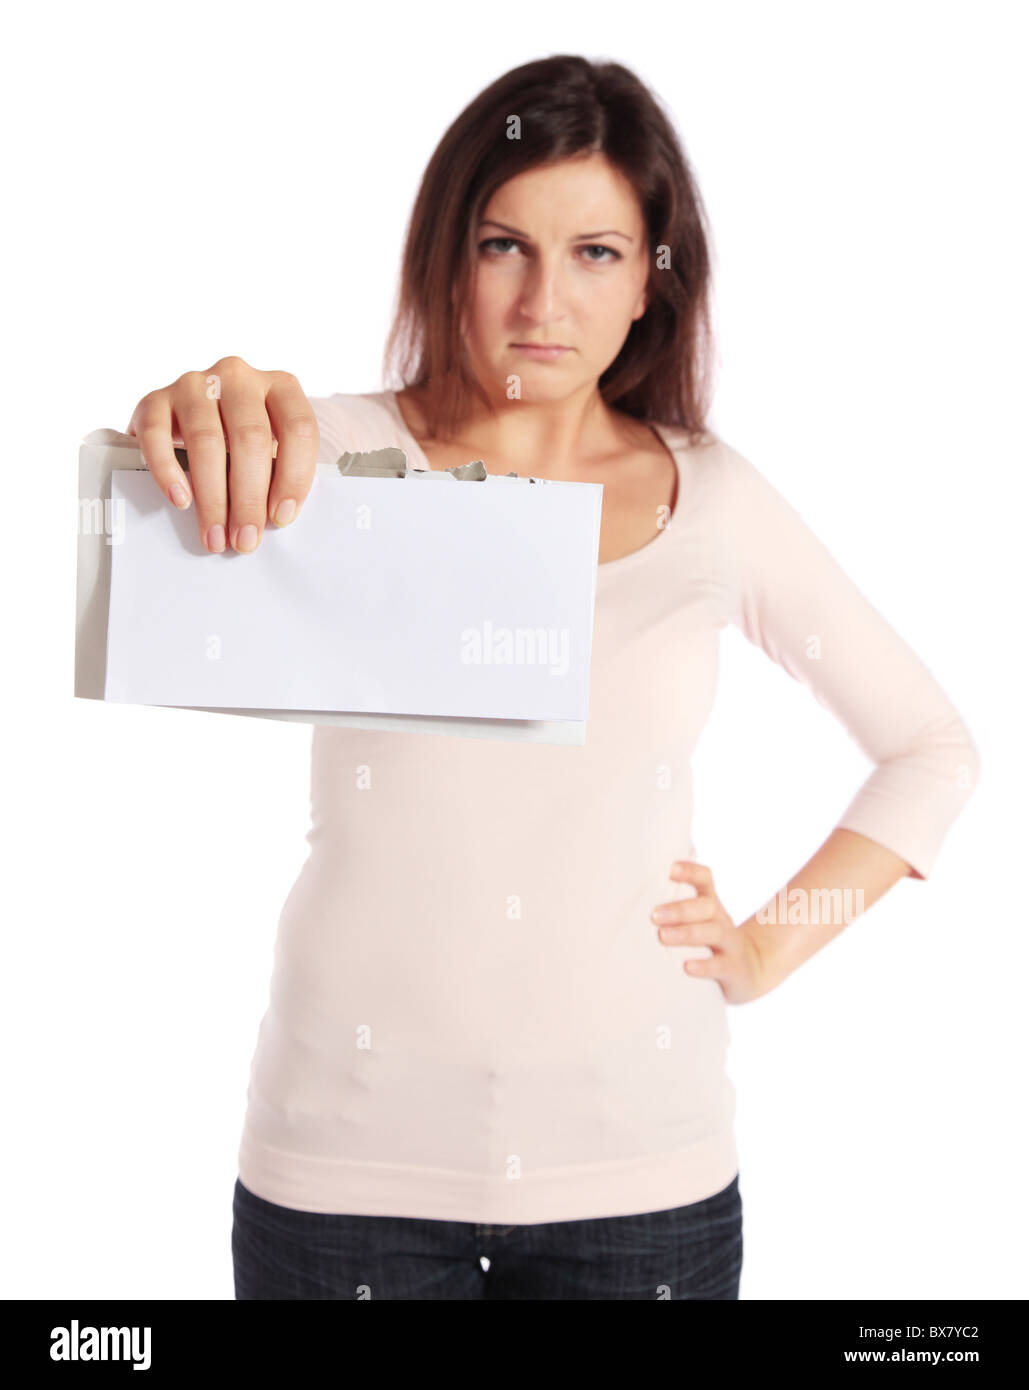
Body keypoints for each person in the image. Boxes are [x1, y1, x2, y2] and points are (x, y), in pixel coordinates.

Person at [125, 55, 980, 1300]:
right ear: (444, 258)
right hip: (344, 1176)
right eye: (501, 244)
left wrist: (763, 949)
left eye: (595, 252)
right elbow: (182, 482)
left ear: (652, 280)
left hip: (640, 1184)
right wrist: (201, 411)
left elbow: (930, 747)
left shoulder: (712, 498)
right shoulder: (341, 458)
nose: (543, 300)